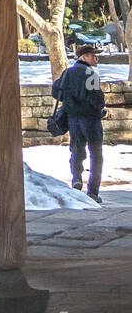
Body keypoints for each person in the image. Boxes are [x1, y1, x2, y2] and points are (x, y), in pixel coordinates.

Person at [52, 42, 107, 204]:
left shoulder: (68, 73)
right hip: (91, 120)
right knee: (96, 154)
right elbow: (97, 98)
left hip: (73, 119)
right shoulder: (91, 73)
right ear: (84, 57)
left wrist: (70, 102)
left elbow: (56, 91)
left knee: (77, 150)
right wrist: (99, 109)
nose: (96, 58)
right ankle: (93, 191)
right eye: (93, 55)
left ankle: (76, 179)